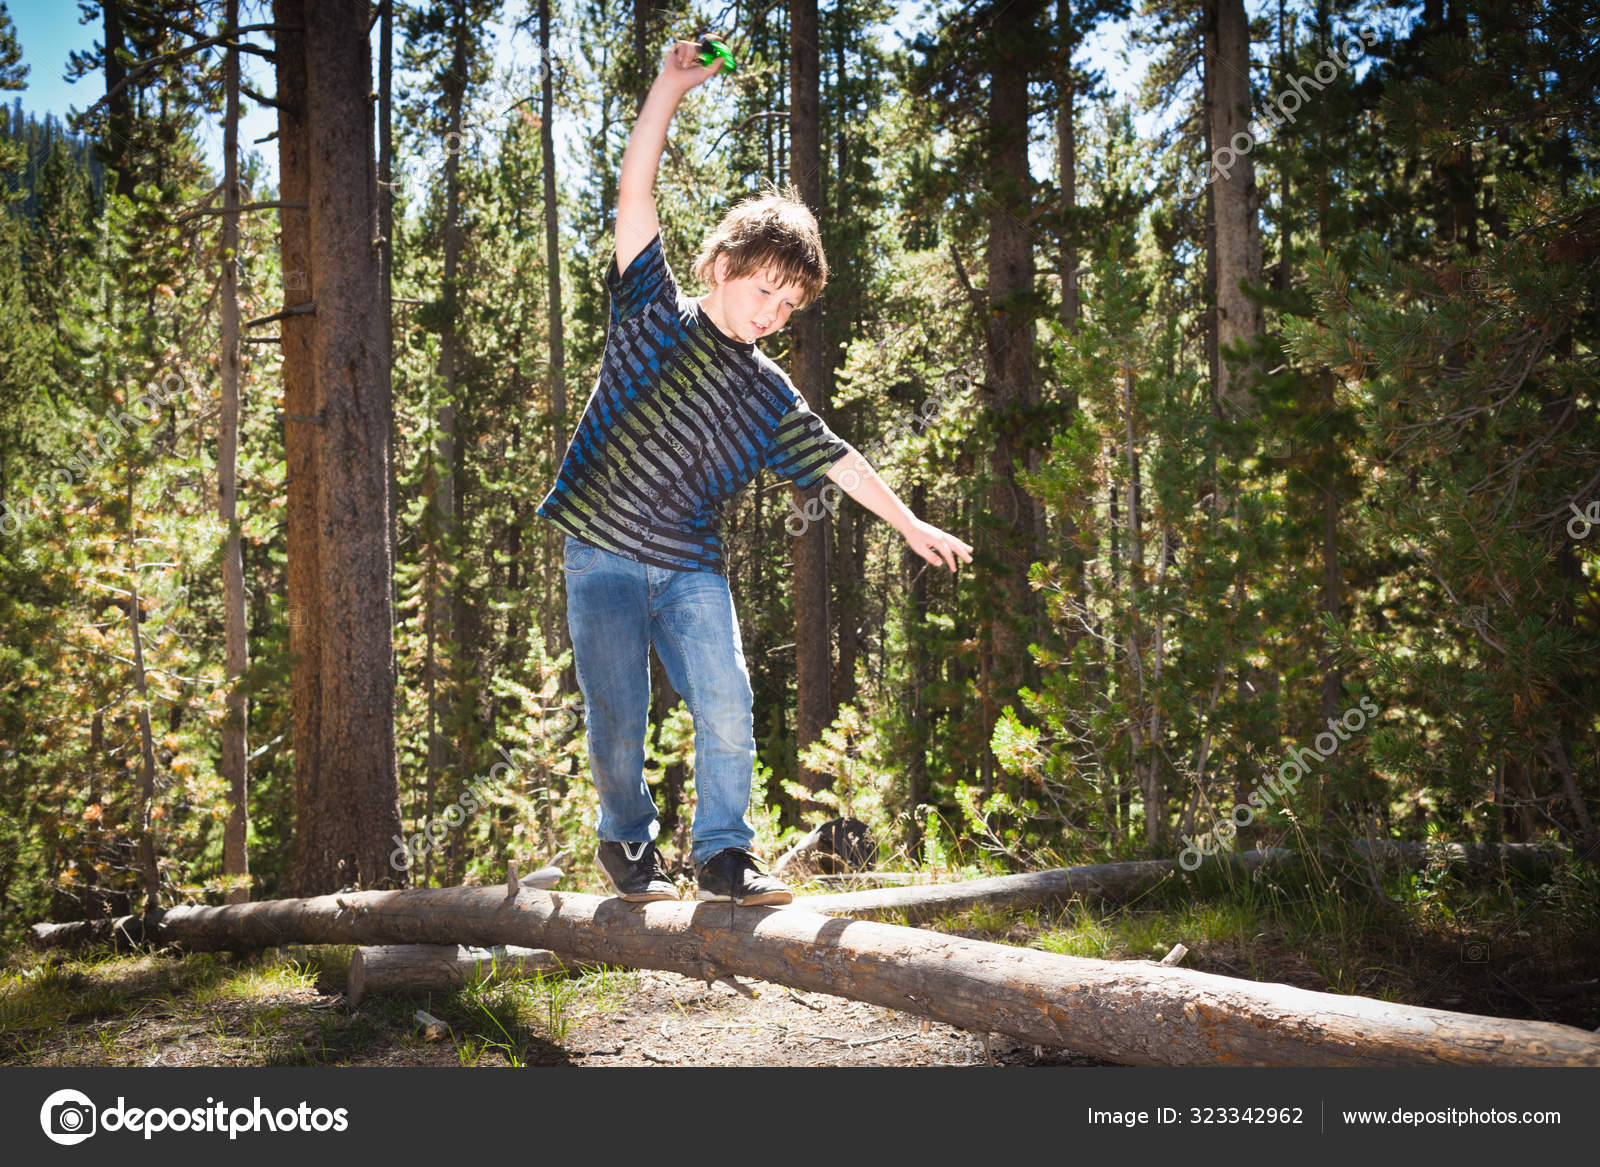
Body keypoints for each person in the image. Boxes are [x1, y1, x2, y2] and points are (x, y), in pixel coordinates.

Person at [535, 40, 972, 906]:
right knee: (618, 718)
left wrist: (910, 522)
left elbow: (839, 456)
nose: (772, 313)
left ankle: (723, 857)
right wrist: (668, 86)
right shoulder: (650, 309)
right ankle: (626, 845)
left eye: (788, 305)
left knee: (728, 702)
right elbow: (634, 191)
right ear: (725, 264)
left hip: (690, 566)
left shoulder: (769, 392)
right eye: (764, 289)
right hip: (603, 554)